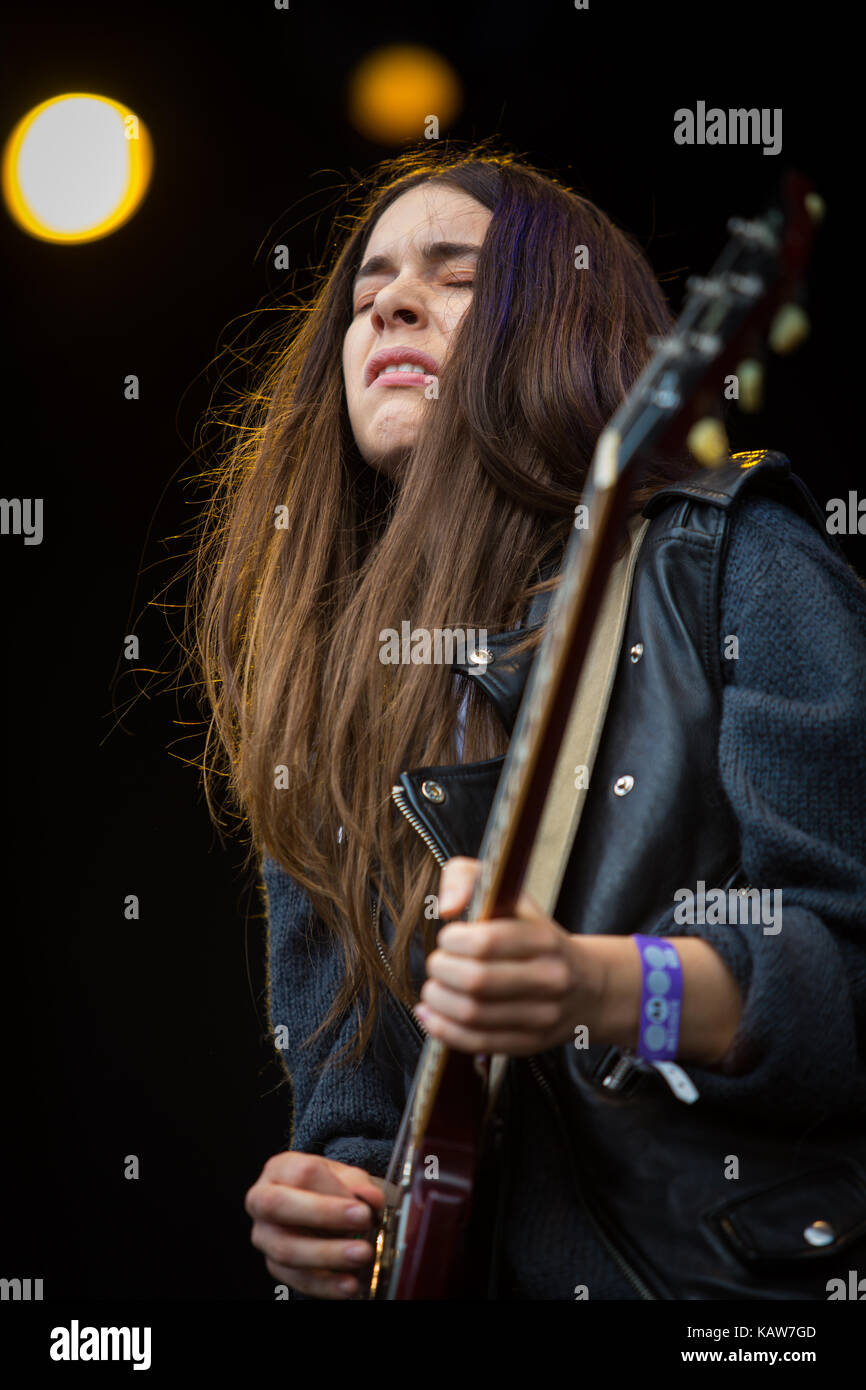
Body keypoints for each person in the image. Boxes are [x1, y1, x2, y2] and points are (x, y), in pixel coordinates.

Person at [188, 144, 866, 1300]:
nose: (390, 301)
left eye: (453, 278)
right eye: (367, 295)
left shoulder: (734, 564)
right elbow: (355, 1115)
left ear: (568, 331)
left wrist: (599, 985)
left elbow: (845, 972)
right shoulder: (324, 699)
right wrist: (331, 1213)